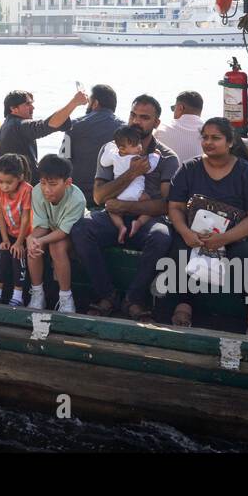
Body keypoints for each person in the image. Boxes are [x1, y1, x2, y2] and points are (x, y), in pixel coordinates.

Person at [74, 93, 180, 319]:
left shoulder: (166, 157)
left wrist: (124, 205)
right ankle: (107, 295)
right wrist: (132, 173)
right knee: (82, 228)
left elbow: (165, 205)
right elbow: (99, 197)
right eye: (133, 115)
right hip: (113, 216)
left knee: (161, 236)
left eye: (144, 117)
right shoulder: (111, 150)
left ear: (156, 123)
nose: (136, 121)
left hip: (146, 219)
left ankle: (134, 299)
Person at [166, 118, 248, 336]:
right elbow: (175, 207)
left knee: (246, 253)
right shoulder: (189, 169)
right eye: (205, 137)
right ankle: (184, 302)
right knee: (179, 247)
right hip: (196, 232)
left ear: (230, 142)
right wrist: (186, 232)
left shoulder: (247, 172)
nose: (208, 142)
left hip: (239, 234)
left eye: (215, 138)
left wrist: (224, 239)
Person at [25, 154, 86, 312]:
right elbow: (42, 225)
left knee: (56, 247)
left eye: (52, 184)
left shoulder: (77, 199)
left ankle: (66, 298)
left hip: (74, 235)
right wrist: (32, 238)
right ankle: (37, 294)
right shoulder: (37, 192)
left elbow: (64, 232)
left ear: (67, 183)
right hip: (51, 230)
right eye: (43, 183)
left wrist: (41, 240)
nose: (46, 189)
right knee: (33, 246)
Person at [0, 88, 89, 182]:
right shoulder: (18, 125)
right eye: (28, 104)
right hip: (19, 189)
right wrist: (74, 102)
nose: (33, 107)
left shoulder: (4, 127)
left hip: (6, 187)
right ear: (13, 109)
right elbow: (49, 125)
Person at [95, 124, 159, 242]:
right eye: (135, 145)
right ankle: (138, 222)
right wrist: (155, 155)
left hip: (119, 194)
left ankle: (121, 227)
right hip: (137, 193)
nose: (139, 147)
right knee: (149, 205)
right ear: (123, 148)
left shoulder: (115, 156)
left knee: (111, 209)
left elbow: (104, 162)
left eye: (139, 143)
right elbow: (150, 167)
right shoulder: (137, 159)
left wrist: (110, 147)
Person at [60, 83, 121, 201]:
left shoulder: (73, 125)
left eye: (89, 102)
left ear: (95, 103)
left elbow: (62, 160)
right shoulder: (124, 129)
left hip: (78, 195)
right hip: (110, 196)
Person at [0, 152, 33, 305]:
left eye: (9, 182)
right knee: (4, 253)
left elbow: (26, 218)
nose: (4, 186)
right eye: (0, 181)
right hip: (9, 233)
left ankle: (18, 296)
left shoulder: (26, 190)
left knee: (17, 256)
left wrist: (19, 242)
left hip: (25, 235)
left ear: (19, 177)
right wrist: (5, 239)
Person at [155, 91, 205, 163]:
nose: (173, 112)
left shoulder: (162, 129)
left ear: (180, 108)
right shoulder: (210, 133)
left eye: (173, 108)